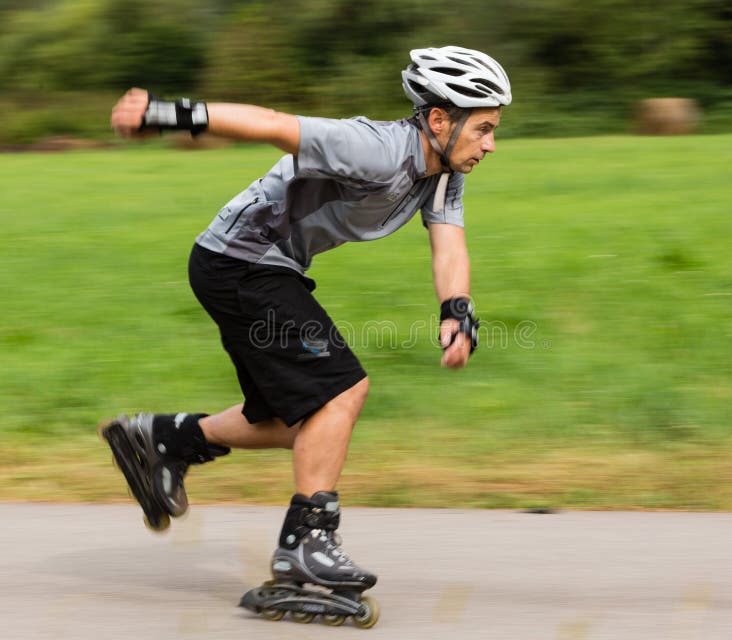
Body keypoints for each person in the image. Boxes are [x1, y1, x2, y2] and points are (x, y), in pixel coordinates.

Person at [102, 46, 511, 618]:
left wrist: (457, 309)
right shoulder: (375, 148)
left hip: (263, 267)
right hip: (241, 262)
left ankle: (163, 439)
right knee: (340, 392)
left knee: (304, 426)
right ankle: (306, 548)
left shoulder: (442, 175)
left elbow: (449, 243)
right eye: (485, 128)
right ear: (440, 120)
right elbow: (273, 125)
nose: (491, 143)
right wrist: (165, 113)